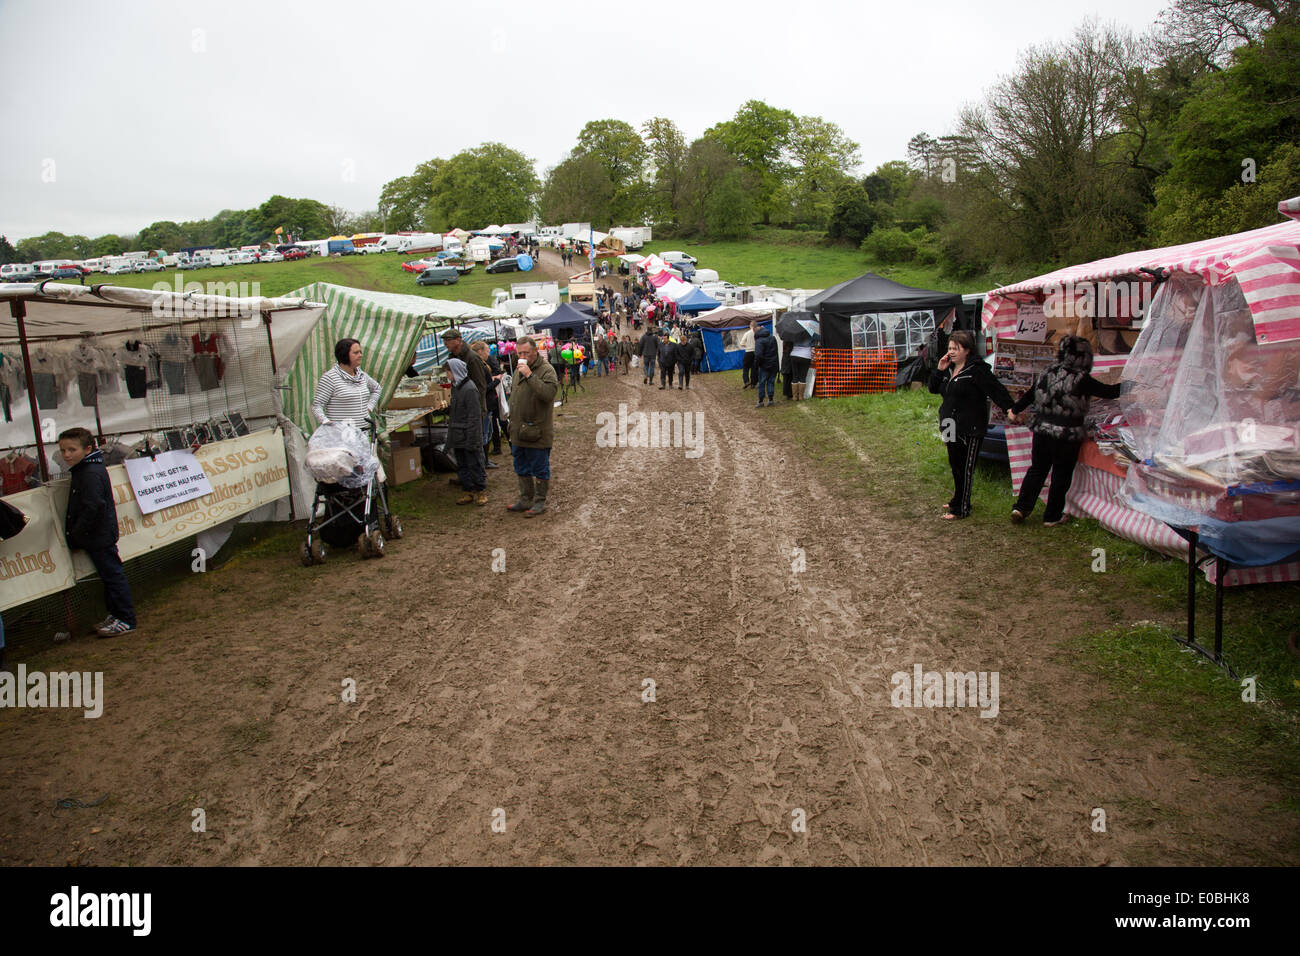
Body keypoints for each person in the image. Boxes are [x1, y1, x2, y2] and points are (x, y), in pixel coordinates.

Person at [1008, 335, 1122, 526]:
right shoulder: (1081, 378)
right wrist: (1133, 384)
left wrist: (1015, 409)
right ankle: (1052, 516)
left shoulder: (1047, 372)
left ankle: (1021, 507)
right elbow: (1109, 392)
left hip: (1042, 429)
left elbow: (1030, 394)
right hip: (1066, 433)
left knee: (1037, 469)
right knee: (1061, 474)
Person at [928, 330, 1015, 520]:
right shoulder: (949, 368)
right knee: (955, 464)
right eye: (949, 348)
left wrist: (1010, 408)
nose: (951, 352)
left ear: (967, 350)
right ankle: (957, 499)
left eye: (955, 349)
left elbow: (996, 389)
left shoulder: (977, 370)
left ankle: (962, 509)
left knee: (966, 468)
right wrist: (940, 369)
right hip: (949, 424)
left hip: (970, 425)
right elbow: (933, 389)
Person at [59, 427, 136, 637]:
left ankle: (126, 618)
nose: (66, 455)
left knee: (113, 575)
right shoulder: (85, 470)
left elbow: (94, 506)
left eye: (71, 450)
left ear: (87, 449)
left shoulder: (90, 473)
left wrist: (77, 532)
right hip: (96, 534)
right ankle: (115, 613)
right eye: (63, 450)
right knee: (108, 575)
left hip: (98, 534)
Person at [507, 336, 558, 517]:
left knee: (539, 467)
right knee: (520, 466)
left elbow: (549, 394)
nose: (522, 356)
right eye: (519, 353)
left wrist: (530, 375)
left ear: (535, 351)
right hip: (518, 431)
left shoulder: (546, 370)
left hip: (537, 431)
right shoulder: (516, 371)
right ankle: (525, 499)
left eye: (526, 353)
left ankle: (539, 502)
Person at [442, 328, 491, 469]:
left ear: (458, 340)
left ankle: (478, 473)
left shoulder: (472, 357)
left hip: (473, 406)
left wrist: (478, 409)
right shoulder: (452, 357)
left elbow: (481, 386)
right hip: (460, 407)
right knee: (461, 442)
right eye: (444, 340)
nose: (445, 343)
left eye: (448, 340)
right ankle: (465, 472)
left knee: (474, 441)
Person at [312, 338, 381, 427]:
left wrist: (369, 407)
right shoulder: (330, 378)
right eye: (356, 353)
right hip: (341, 436)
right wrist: (328, 423)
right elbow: (317, 406)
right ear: (344, 355)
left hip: (363, 434)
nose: (360, 355)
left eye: (360, 352)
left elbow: (377, 389)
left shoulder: (362, 375)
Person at [446, 359, 488, 505]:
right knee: (462, 465)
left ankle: (481, 491)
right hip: (458, 434)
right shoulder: (456, 387)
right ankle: (468, 491)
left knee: (474, 464)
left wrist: (472, 438)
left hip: (469, 434)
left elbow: (474, 416)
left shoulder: (469, 389)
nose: (447, 374)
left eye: (449, 371)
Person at [472, 341, 505, 464]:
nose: (488, 353)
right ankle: (483, 461)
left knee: (489, 431)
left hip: (489, 402)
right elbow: (483, 388)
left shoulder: (482, 364)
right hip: (485, 402)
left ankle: (485, 459)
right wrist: (496, 381)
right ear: (480, 351)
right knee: (485, 433)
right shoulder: (479, 365)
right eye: (486, 350)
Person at [753, 322, 778, 407]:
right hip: (773, 364)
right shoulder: (773, 338)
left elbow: (758, 355)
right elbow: (776, 352)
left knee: (762, 383)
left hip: (764, 365)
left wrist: (756, 365)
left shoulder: (759, 341)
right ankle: (771, 400)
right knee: (771, 382)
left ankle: (760, 401)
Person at [789, 335, 813, 400]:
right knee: (803, 376)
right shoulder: (810, 332)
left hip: (794, 355)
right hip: (806, 356)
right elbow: (818, 340)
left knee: (795, 376)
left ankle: (794, 397)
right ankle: (801, 396)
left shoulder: (795, 332)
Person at [740, 322, 756, 389]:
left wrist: (746, 346)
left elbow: (742, 343)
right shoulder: (757, 333)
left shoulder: (747, 333)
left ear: (750, 326)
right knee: (754, 368)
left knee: (746, 367)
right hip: (755, 352)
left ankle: (746, 381)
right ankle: (753, 383)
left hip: (748, 352)